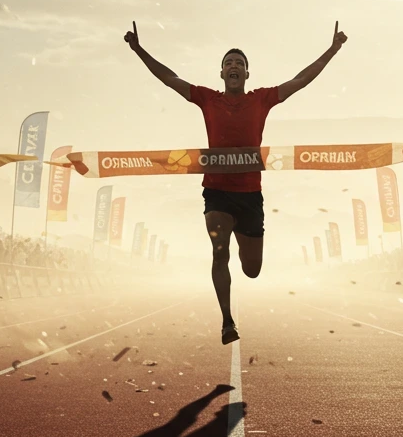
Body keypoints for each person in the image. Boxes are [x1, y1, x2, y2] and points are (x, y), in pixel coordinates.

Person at [125, 19, 348, 344]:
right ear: (221, 73)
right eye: (228, 63)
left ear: (246, 74)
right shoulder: (207, 99)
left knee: (252, 269)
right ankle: (227, 321)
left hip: (250, 196)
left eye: (239, 64)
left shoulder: (261, 99)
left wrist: (333, 49)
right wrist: (138, 50)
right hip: (216, 192)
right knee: (219, 252)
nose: (233, 66)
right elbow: (169, 78)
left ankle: (246, 266)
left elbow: (300, 80)